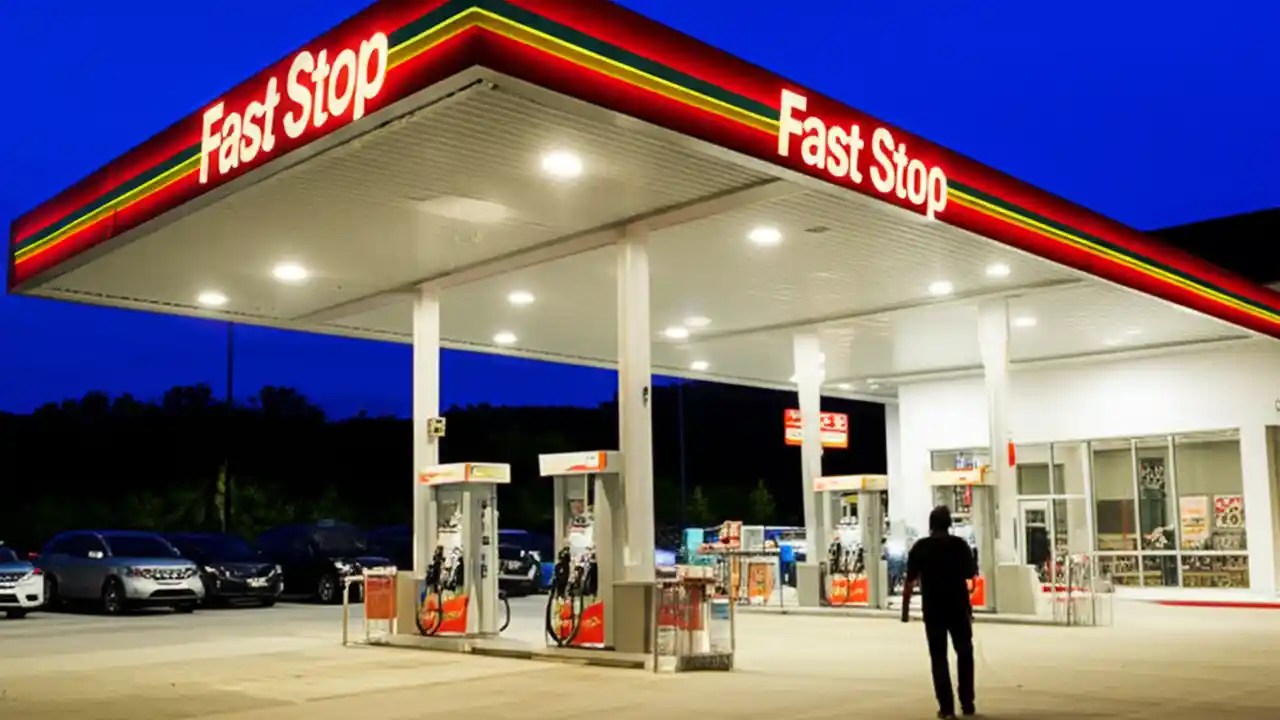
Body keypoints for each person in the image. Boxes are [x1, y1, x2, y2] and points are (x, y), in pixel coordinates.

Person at [901, 506, 978, 719]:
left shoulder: (920, 547)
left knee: (938, 657)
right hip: (958, 607)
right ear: (949, 523)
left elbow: (909, 582)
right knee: (964, 653)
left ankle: (946, 708)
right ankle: (967, 702)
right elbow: (971, 574)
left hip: (934, 610)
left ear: (931, 524)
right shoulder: (960, 546)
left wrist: (905, 611)